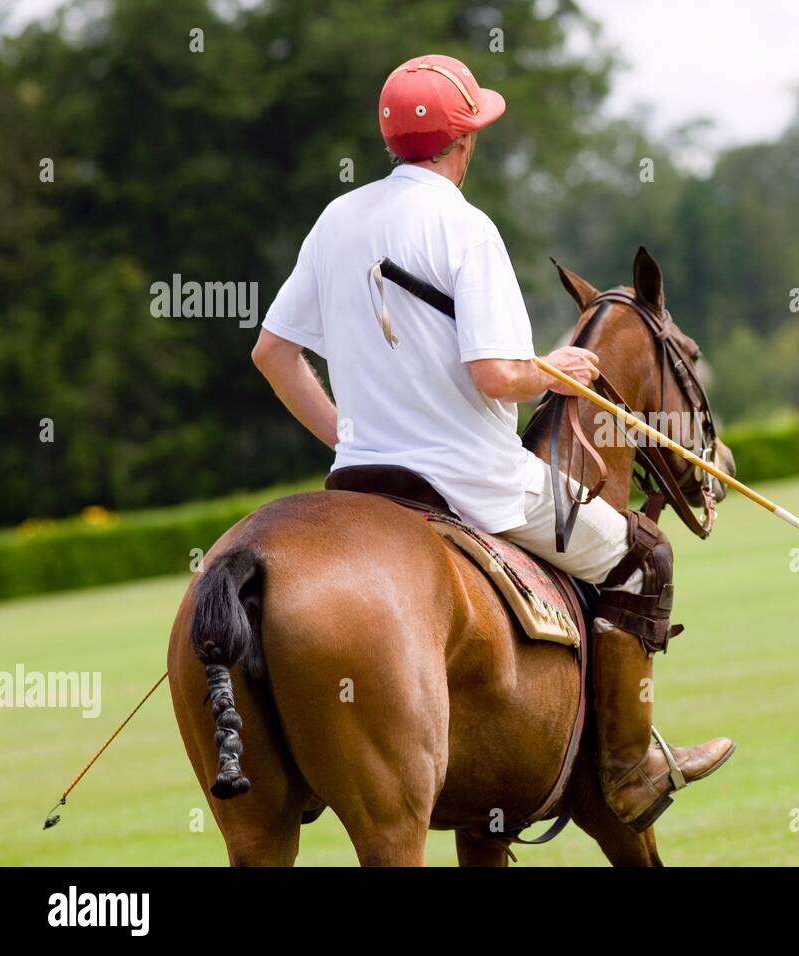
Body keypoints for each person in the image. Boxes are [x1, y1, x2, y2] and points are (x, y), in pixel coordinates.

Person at [251, 53, 732, 831]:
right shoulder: (466, 228)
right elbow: (493, 376)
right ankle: (628, 769)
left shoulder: (336, 219)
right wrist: (556, 369)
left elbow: (272, 355)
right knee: (645, 556)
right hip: (473, 482)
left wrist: (348, 434)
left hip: (360, 482)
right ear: (464, 140)